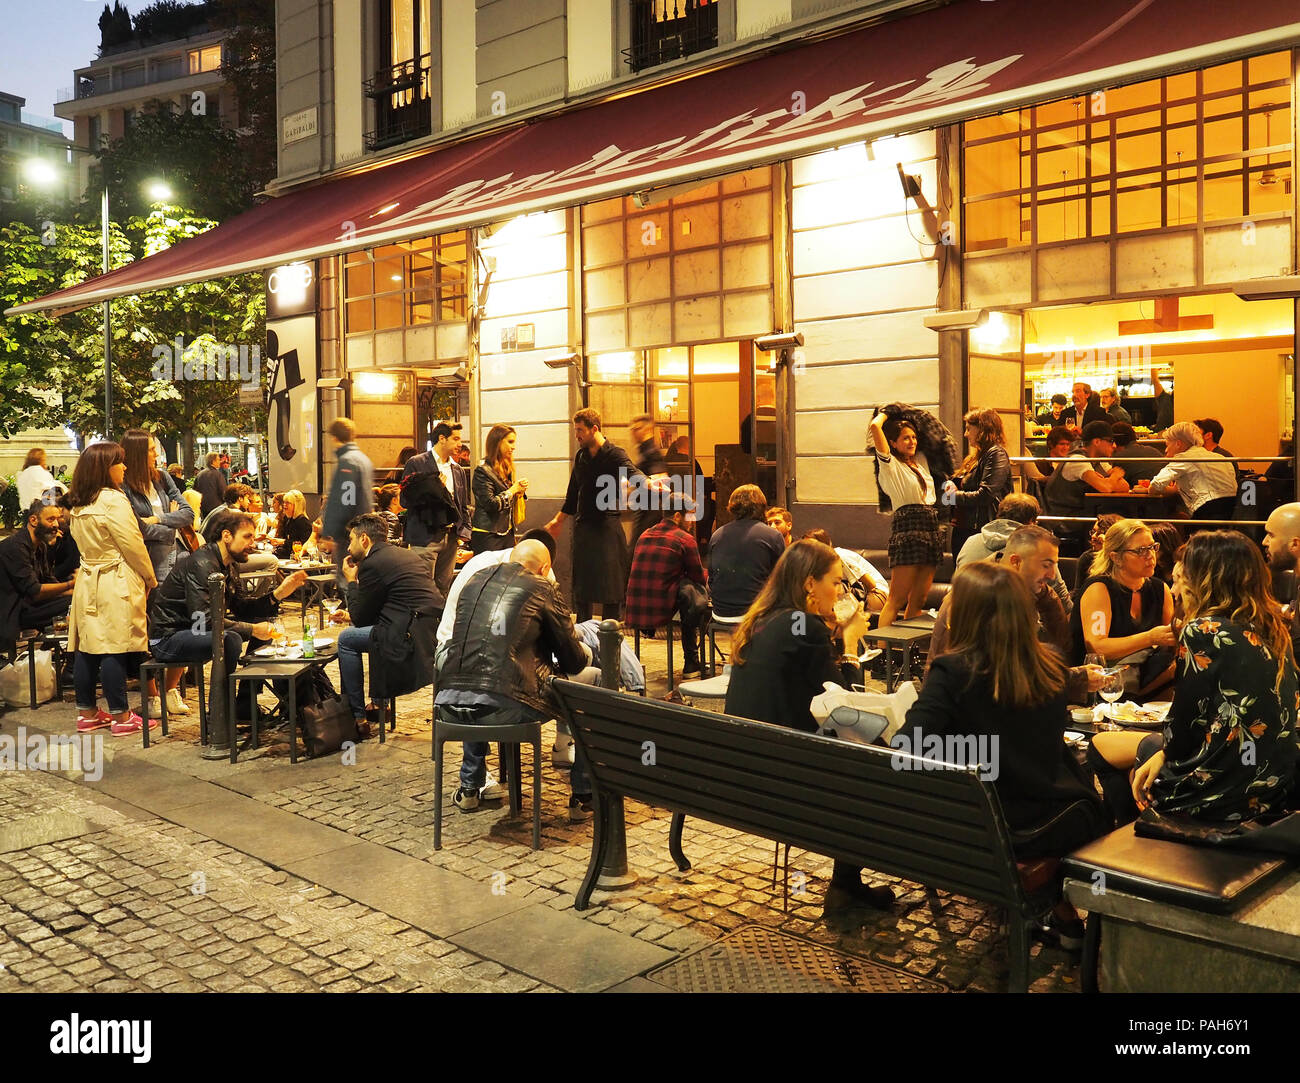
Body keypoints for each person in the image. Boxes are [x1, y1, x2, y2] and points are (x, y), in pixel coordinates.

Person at [898, 561, 1107, 948]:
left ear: (966, 611)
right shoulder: (1050, 663)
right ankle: (1064, 918)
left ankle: (1048, 917)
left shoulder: (954, 670)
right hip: (1059, 815)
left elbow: (909, 747)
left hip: (990, 826)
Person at [723, 539, 888, 910]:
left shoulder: (762, 620)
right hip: (780, 777)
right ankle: (846, 885)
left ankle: (848, 884)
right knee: (874, 757)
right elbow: (842, 703)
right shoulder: (807, 627)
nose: (841, 590)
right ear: (809, 585)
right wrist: (849, 642)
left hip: (739, 768)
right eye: (835, 581)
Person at [1111, 532, 1299, 827]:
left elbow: (1185, 723)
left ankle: (1140, 832)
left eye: (1182, 578)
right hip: (1278, 784)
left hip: (1225, 794)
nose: (1175, 589)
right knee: (1151, 749)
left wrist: (1164, 753)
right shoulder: (1273, 626)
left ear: (1206, 578)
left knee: (1136, 752)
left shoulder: (1203, 630)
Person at [436, 538, 602, 820]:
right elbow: (572, 660)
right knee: (594, 679)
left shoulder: (474, 580)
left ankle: (469, 787)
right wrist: (587, 651)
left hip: (450, 706)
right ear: (545, 567)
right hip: (509, 707)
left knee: (478, 680)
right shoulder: (541, 587)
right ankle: (583, 796)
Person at [149, 510, 309, 703]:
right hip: (168, 637)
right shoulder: (202, 564)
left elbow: (242, 608)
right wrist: (251, 629)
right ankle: (220, 712)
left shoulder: (228, 564)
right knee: (230, 639)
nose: (252, 543)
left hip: (193, 631)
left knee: (264, 624)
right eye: (247, 537)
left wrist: (278, 594)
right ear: (226, 536)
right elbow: (204, 621)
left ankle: (245, 703)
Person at [65, 442, 158, 736]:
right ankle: (121, 716)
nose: (125, 467)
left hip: (88, 578)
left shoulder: (79, 502)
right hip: (115, 578)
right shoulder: (113, 501)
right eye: (120, 462)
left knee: (86, 647)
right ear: (105, 467)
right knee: (113, 646)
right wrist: (149, 578)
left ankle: (87, 712)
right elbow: (133, 545)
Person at [331, 513, 442, 729]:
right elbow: (380, 605)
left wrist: (351, 581)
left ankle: (356, 715)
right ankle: (379, 706)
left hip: (409, 635)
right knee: (377, 631)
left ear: (364, 539)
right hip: (430, 628)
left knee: (347, 639)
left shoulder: (372, 563)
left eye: (351, 539)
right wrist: (350, 614)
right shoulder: (405, 554)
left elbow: (362, 619)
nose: (348, 548)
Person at [544, 408, 645, 623]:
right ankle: (583, 640)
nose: (576, 435)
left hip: (607, 529)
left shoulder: (614, 454)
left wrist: (649, 484)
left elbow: (632, 472)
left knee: (611, 589)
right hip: (584, 530)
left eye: (580, 430)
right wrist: (558, 520)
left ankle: (609, 641)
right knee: (583, 589)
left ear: (594, 429)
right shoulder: (581, 456)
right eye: (575, 430)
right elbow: (573, 494)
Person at [1069, 519, 1176, 701]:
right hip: (1099, 688)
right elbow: (1097, 646)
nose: (1150, 555)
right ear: (1115, 557)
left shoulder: (1161, 589)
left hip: (1146, 683)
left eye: (1152, 547)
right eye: (1140, 550)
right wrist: (1150, 638)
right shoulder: (1099, 588)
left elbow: (1168, 643)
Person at [868, 410, 942, 626]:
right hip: (908, 528)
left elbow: (933, 431)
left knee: (919, 598)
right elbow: (875, 427)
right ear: (893, 442)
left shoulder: (920, 463)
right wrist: (885, 413)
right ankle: (883, 653)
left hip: (930, 528)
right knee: (896, 599)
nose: (912, 441)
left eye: (914, 437)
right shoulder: (890, 465)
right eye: (906, 438)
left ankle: (910, 652)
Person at [625, 494, 709, 678]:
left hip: (637, 610)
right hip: (660, 609)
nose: (692, 521)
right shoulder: (684, 539)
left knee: (687, 589)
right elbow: (698, 576)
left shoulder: (645, 534)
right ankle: (691, 662)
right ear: (678, 516)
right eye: (690, 515)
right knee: (693, 593)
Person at [400, 421, 469, 595]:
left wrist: (464, 531)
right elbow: (405, 500)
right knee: (423, 589)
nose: (460, 444)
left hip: (451, 538)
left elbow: (462, 504)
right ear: (442, 439)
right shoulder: (416, 463)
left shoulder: (458, 469)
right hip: (425, 537)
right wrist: (433, 488)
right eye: (456, 439)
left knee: (444, 589)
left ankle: (440, 622)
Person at [121, 428, 193, 586]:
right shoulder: (123, 486)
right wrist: (172, 525)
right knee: (158, 604)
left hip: (179, 551)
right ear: (137, 454)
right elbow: (139, 529)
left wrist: (157, 519)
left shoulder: (162, 478)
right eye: (152, 450)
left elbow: (188, 514)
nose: (157, 454)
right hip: (151, 558)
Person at [0, 500, 76, 648]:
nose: (56, 525)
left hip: (29, 606)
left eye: (57, 519)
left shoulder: (40, 546)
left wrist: (80, 590)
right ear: (33, 520)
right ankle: (69, 661)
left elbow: (50, 583)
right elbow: (35, 592)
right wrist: (71, 584)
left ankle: (56, 654)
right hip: (12, 613)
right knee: (72, 604)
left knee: (79, 600)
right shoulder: (15, 547)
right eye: (50, 519)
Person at [1044, 421, 1130, 548]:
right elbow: (1106, 488)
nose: (1115, 446)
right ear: (1096, 442)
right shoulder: (1077, 460)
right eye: (1111, 441)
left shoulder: (1097, 460)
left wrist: (1109, 481)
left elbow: (1125, 486)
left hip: (1084, 515)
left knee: (1117, 518)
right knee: (1114, 523)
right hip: (1067, 521)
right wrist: (1115, 475)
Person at [705, 484, 785, 619]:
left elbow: (711, 577)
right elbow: (783, 577)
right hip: (757, 611)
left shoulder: (717, 535)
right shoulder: (772, 535)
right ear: (762, 506)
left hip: (720, 611)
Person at [945, 408, 1012, 557]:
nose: (965, 434)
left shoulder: (996, 454)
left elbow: (986, 494)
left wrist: (952, 496)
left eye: (969, 429)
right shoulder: (976, 457)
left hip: (981, 529)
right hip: (967, 526)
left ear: (982, 429)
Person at [1140, 421, 1238, 521]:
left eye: (1167, 445)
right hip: (1234, 511)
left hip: (1208, 510)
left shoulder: (1184, 458)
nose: (1166, 450)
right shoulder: (1221, 457)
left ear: (1178, 444)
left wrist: (1148, 489)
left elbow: (1155, 486)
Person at [322, 417, 375, 579]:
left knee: (347, 578)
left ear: (334, 437)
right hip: (362, 529)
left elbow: (346, 500)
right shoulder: (363, 459)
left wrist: (330, 533)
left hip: (348, 533)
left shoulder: (348, 461)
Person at [470, 424, 528, 555]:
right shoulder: (483, 471)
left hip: (506, 533)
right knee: (488, 574)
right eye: (510, 442)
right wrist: (512, 490)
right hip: (488, 535)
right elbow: (491, 504)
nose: (513, 447)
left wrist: (520, 492)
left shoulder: (507, 468)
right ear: (497, 442)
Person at [628, 413, 670, 548]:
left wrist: (633, 483)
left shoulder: (651, 452)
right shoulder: (645, 451)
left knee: (638, 549)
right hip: (646, 508)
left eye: (637, 429)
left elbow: (661, 479)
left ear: (647, 429)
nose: (633, 433)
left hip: (650, 510)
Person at [1074, 512, 1121, 594]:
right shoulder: (1087, 558)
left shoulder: (1122, 558)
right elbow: (1078, 593)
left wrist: (1107, 549)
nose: (1093, 536)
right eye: (1093, 532)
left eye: (1099, 533)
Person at [275, 490, 314, 558]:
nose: (284, 505)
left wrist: (283, 542)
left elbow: (305, 544)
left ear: (296, 505)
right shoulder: (287, 519)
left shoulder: (303, 522)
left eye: (288, 503)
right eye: (284, 502)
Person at [193, 452, 226, 520]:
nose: (220, 462)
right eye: (218, 460)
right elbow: (223, 491)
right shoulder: (218, 475)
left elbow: (195, 490)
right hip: (216, 506)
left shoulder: (200, 474)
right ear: (213, 461)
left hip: (202, 505)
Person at [1150, 367, 1174, 433]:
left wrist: (1155, 365)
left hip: (1164, 433)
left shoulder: (1166, 400)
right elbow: (1155, 381)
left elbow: (1155, 381)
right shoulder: (1166, 399)